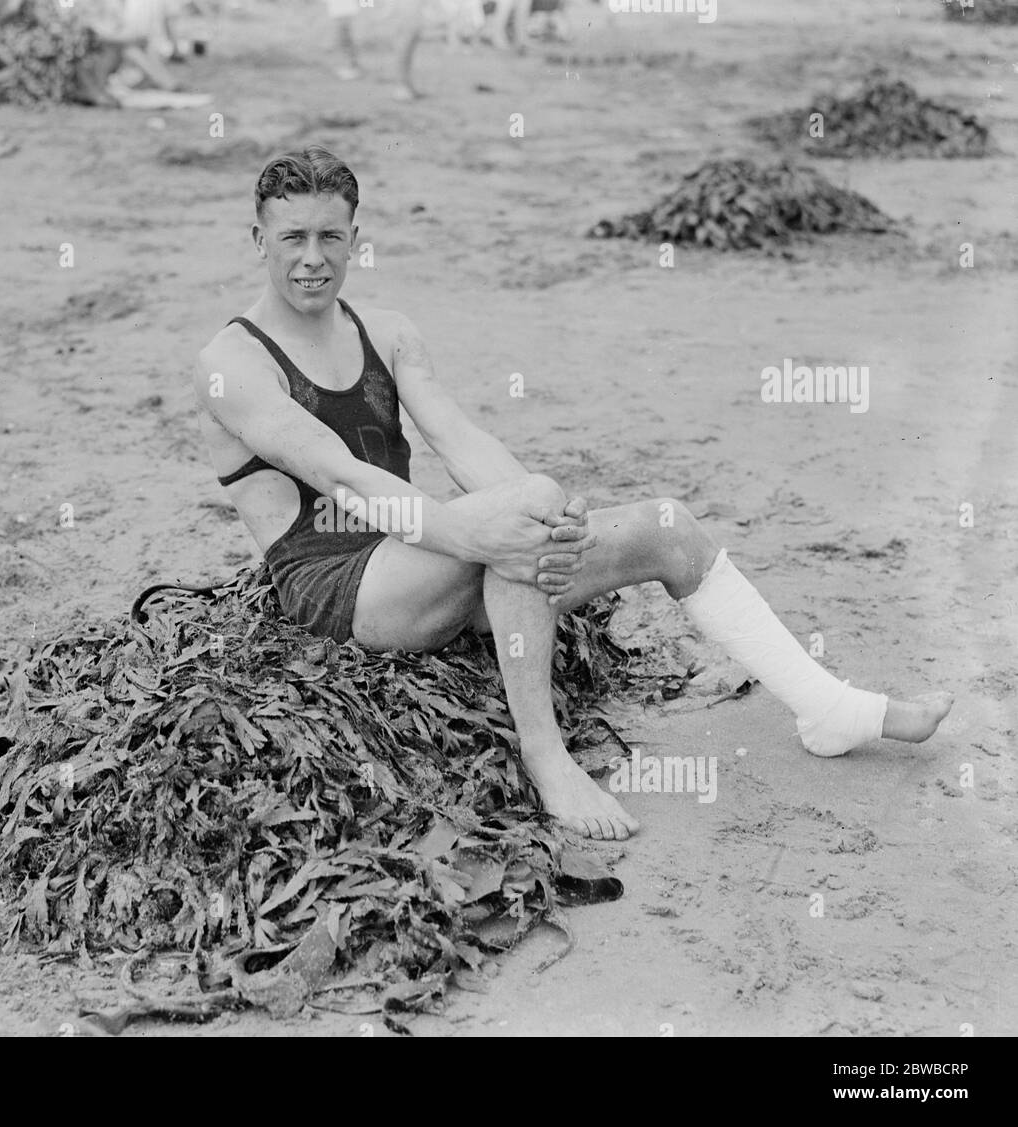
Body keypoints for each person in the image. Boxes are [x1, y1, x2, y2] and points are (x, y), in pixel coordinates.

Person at [194, 147, 954, 842]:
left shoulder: (387, 332)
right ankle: (546, 756)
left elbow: (459, 440)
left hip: (426, 554)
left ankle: (825, 706)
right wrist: (485, 532)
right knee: (518, 524)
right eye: (292, 238)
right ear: (258, 239)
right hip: (343, 590)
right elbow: (341, 475)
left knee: (667, 527)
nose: (313, 258)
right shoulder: (231, 363)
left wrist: (546, 518)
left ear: (356, 237)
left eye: (331, 237)